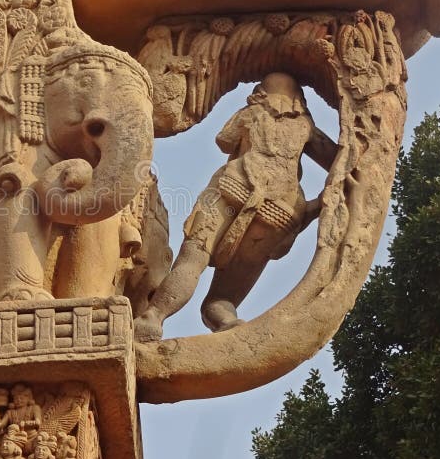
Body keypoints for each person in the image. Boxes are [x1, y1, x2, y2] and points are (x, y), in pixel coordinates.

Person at [134, 72, 338, 341]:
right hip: (281, 212)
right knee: (222, 297)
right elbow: (336, 160)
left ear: (261, 93)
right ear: (299, 100)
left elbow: (224, 140)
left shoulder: (250, 113)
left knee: (192, 260)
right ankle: (224, 319)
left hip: (234, 186)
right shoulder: (306, 127)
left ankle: (153, 317)